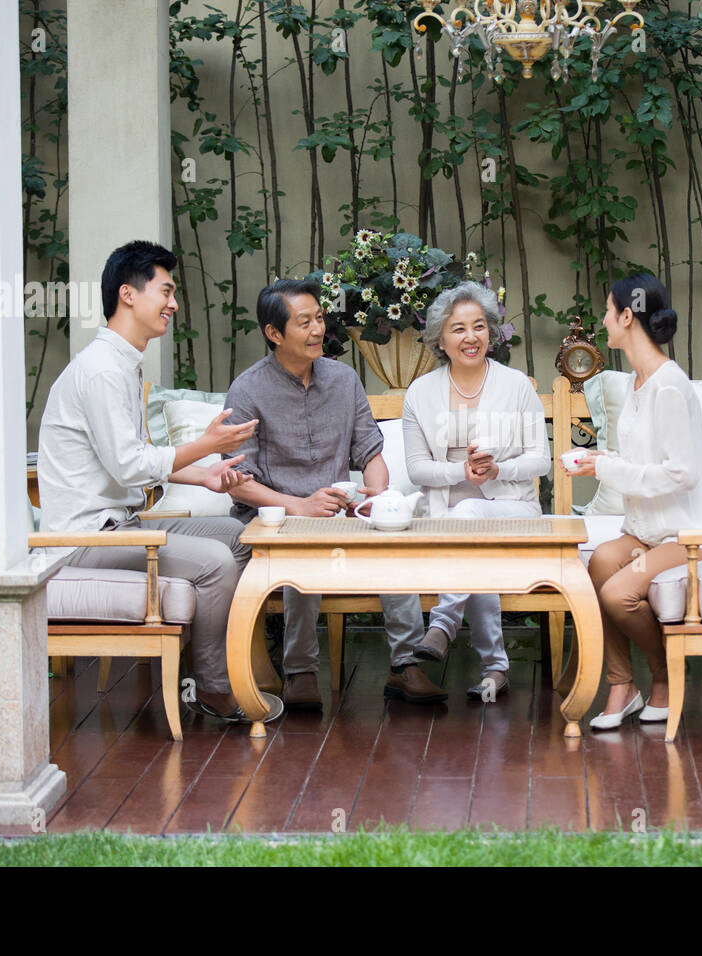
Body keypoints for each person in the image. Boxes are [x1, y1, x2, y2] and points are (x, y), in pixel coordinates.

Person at [38, 240, 282, 725]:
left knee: (239, 536)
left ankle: (214, 666)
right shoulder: (103, 371)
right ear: (128, 294)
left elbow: (131, 458)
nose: (173, 303)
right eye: (165, 291)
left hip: (121, 526)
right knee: (213, 562)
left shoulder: (121, 365)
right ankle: (213, 687)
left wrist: (205, 475)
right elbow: (130, 467)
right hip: (84, 539)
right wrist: (208, 445)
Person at [224, 278, 445, 708]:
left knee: (392, 539)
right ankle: (301, 671)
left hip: (341, 514)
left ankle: (405, 666)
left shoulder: (343, 380)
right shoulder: (247, 390)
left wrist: (376, 497)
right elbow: (241, 482)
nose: (317, 330)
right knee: (304, 548)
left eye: (320, 318)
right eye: (304, 322)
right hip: (275, 519)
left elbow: (372, 454)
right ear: (274, 334)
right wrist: (300, 506)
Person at [562, 274, 702, 731]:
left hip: (687, 534)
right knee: (593, 568)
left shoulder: (668, 386)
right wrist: (601, 459)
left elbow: (681, 472)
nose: (604, 320)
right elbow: (640, 460)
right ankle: (621, 685)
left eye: (608, 312)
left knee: (618, 592)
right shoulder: (637, 383)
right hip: (647, 532)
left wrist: (605, 469)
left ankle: (666, 677)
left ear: (628, 317)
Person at [403, 282, 551, 699]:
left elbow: (541, 459)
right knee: (472, 547)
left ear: (491, 332)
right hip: (446, 521)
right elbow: (416, 470)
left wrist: (498, 469)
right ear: (440, 339)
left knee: (468, 521)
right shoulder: (420, 393)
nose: (471, 337)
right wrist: (460, 471)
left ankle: (443, 624)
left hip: (512, 510)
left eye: (479, 327)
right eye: (458, 329)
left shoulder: (516, 385)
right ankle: (496, 670)